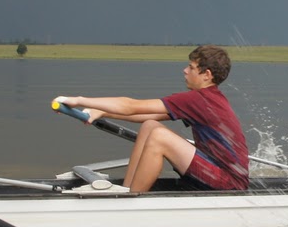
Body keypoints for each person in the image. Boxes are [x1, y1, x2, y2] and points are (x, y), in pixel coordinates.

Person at [57, 45, 249, 193]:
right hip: (217, 172)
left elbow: (131, 106)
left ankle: (133, 201)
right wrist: (102, 112)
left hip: (229, 184)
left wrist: (78, 100)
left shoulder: (200, 99)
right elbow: (146, 115)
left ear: (207, 75)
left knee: (159, 137)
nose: (185, 70)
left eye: (191, 67)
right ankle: (127, 190)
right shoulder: (207, 99)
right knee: (150, 126)